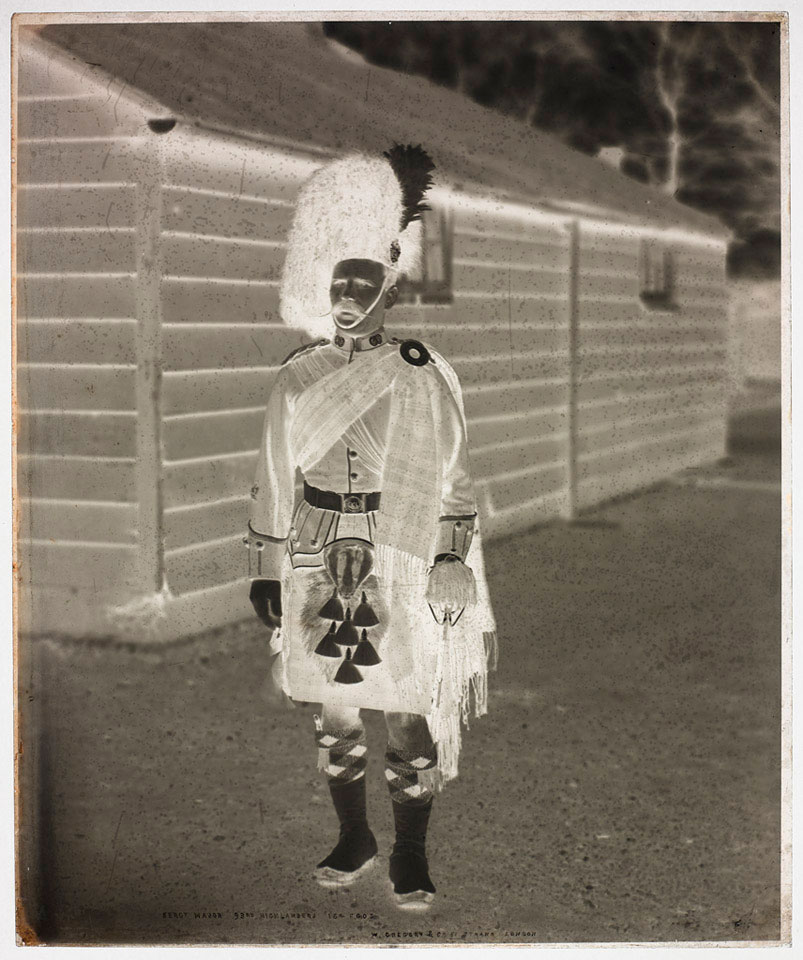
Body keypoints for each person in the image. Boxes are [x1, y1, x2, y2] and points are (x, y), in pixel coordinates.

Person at [245, 145, 497, 909]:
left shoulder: (421, 371)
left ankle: (410, 854)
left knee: (410, 709)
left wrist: (451, 555)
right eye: (337, 282)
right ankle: (354, 837)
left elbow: (453, 477)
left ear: (389, 283)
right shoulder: (297, 376)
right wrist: (263, 565)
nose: (349, 294)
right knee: (337, 709)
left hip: (404, 553)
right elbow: (272, 474)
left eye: (363, 281)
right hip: (318, 554)